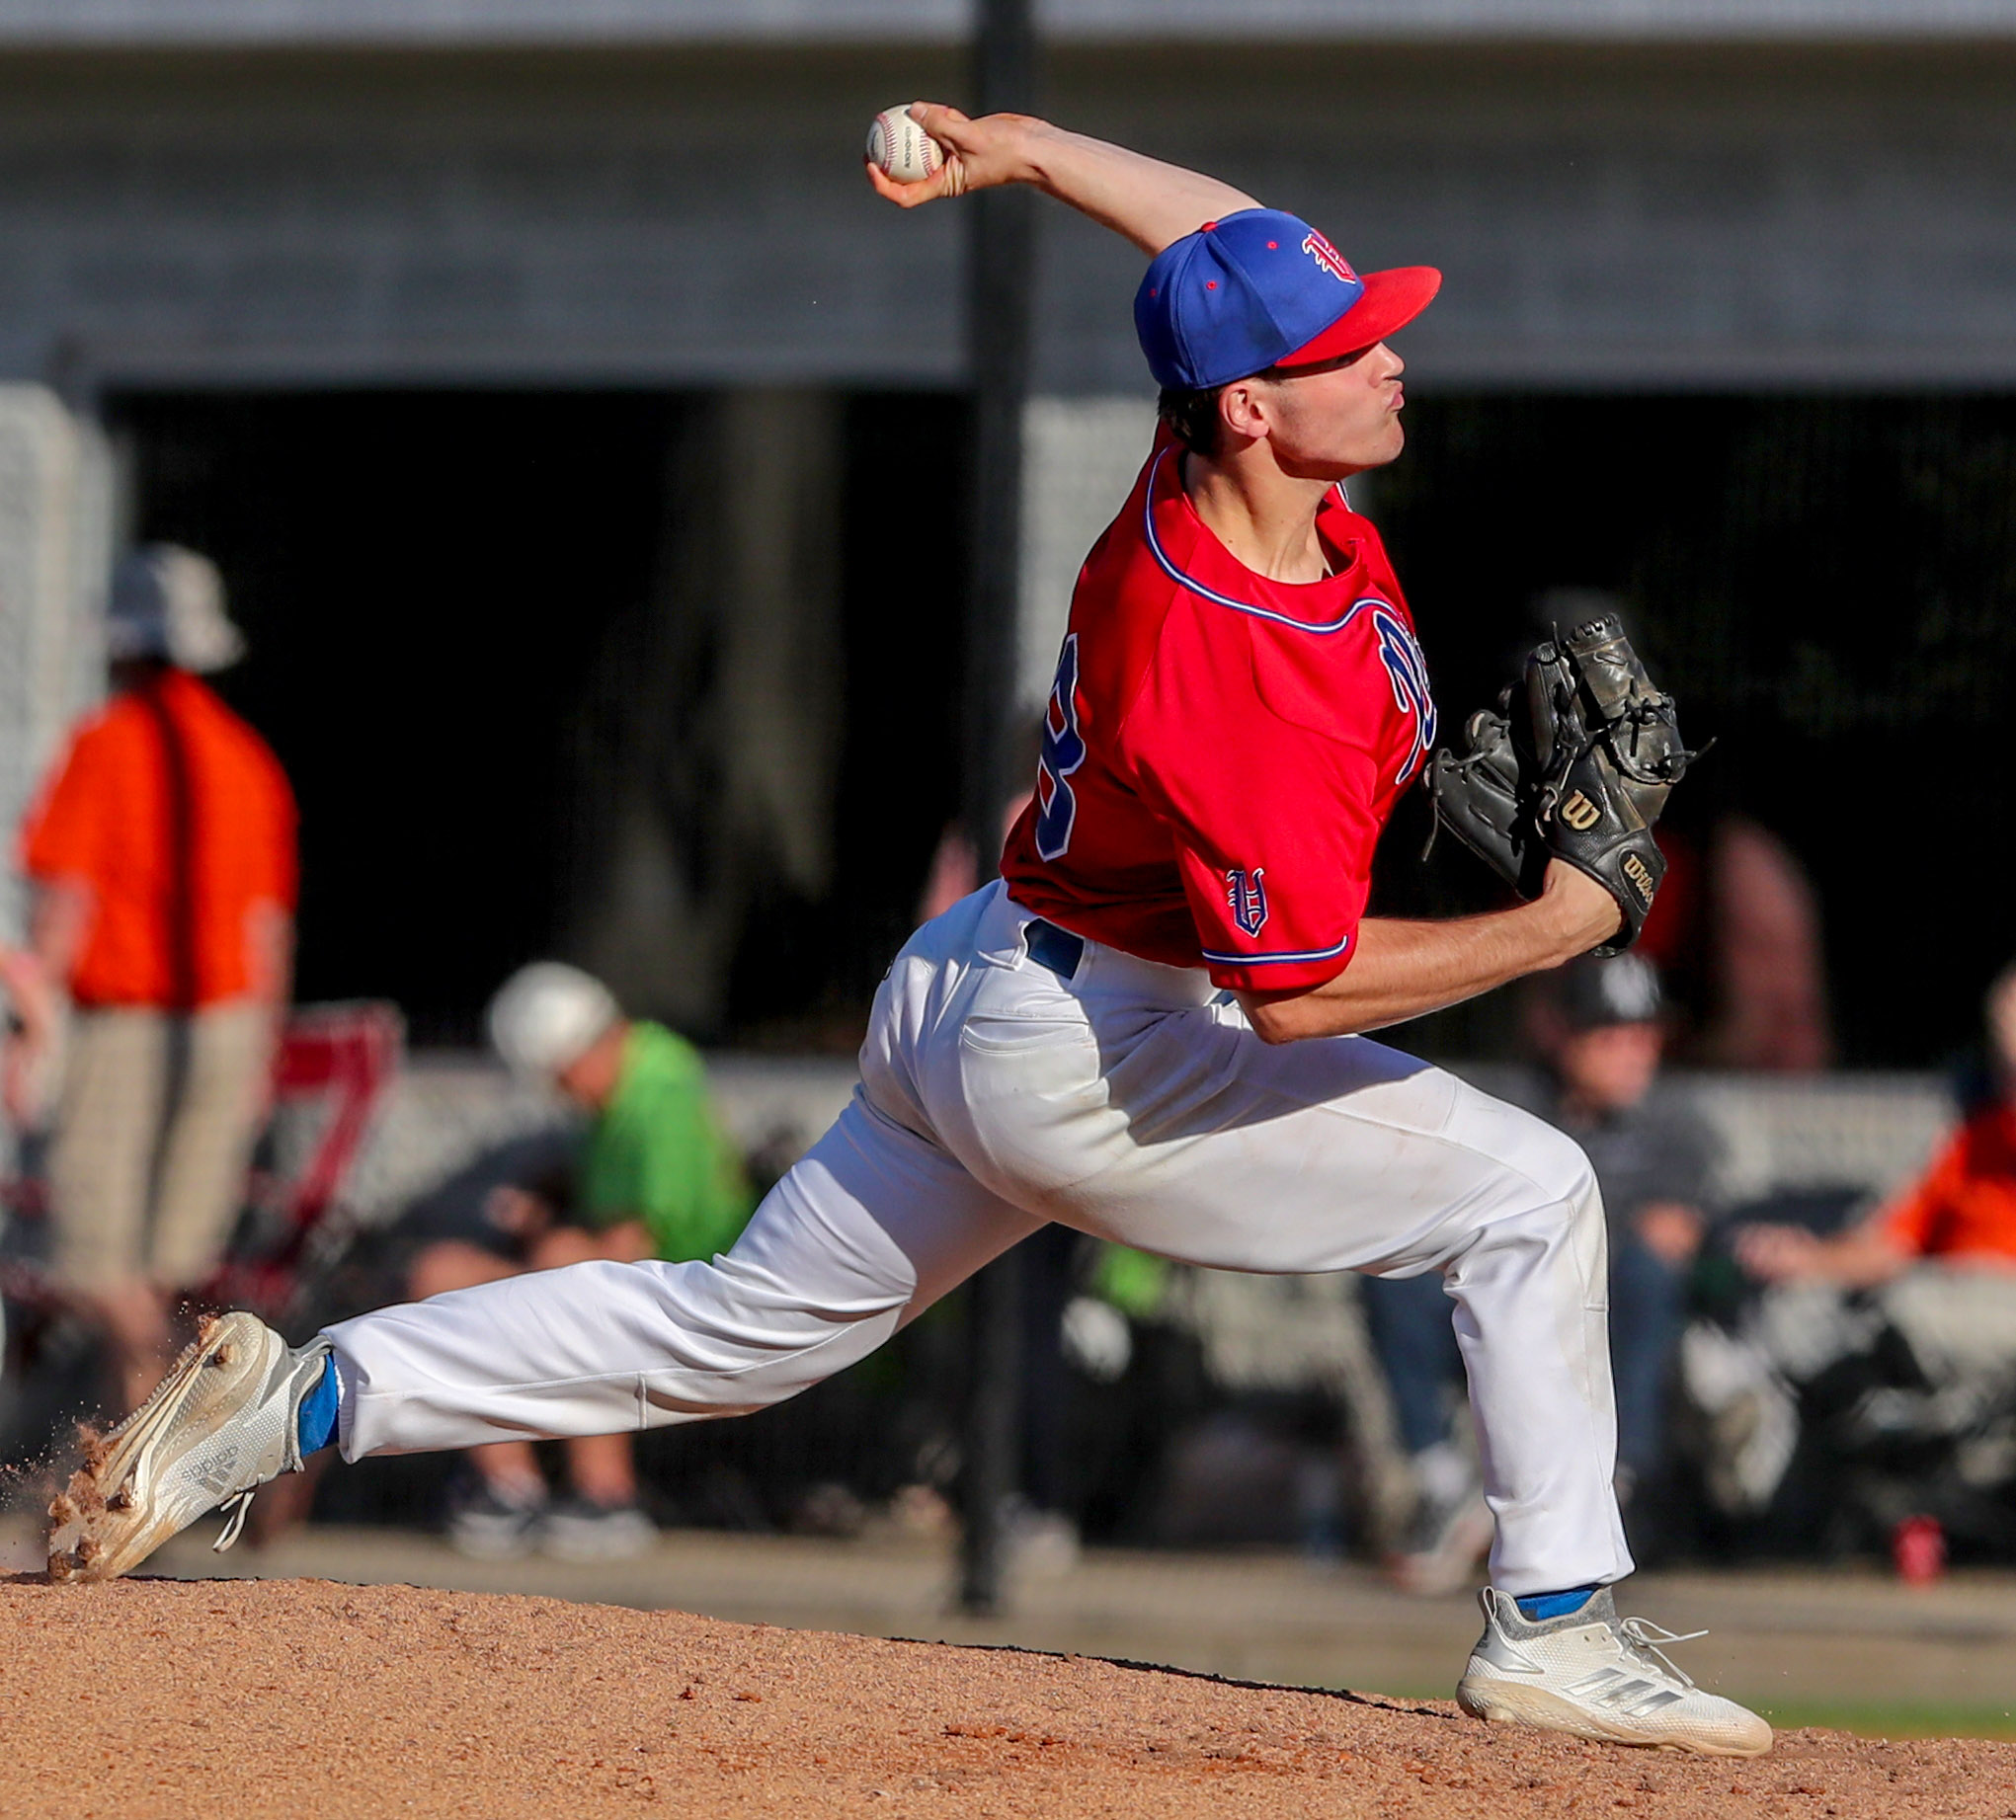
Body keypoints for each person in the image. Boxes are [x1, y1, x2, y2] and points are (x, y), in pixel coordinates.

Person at [56, 109, 1768, 1757]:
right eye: (1352, 346)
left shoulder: (1223, 471)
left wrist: (1029, 152)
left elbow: (1218, 243)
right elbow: (1299, 992)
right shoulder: (1234, 649)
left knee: (737, 1334)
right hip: (1104, 1053)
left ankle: (289, 1403)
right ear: (1254, 406)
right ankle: (1553, 1622)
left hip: (975, 978)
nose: (1390, 355)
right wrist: (1554, 925)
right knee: (1531, 1188)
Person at [16, 545, 295, 1413]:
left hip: (128, 1026)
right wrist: (260, 1059)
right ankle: (125, 1473)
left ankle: (193, 1407)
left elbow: (65, 906)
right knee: (170, 1263)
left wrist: (25, 1033)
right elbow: (269, 932)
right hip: (228, 1028)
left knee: (93, 1259)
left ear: (122, 646)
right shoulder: (250, 759)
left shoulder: (104, 745)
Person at [1365, 955, 1715, 1592]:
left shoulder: (1674, 1123)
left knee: (1647, 1271)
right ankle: (1437, 1478)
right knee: (1392, 1270)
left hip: (1600, 1324)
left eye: (1645, 1036)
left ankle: (1615, 1484)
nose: (1633, 1054)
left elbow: (1675, 1238)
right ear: (1564, 1035)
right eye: (1611, 1036)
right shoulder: (1514, 1104)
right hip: (1502, 1304)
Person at [403, 962, 756, 1560]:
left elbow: (631, 1247)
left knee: (566, 1266)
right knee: (442, 1275)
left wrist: (531, 1269)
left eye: (558, 1079)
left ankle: (606, 1493)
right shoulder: (618, 1093)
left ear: (579, 1053)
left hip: (701, 1298)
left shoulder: (660, 1086)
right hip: (642, 1282)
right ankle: (510, 1488)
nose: (560, 1094)